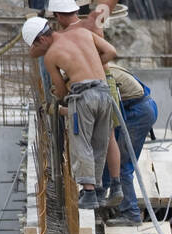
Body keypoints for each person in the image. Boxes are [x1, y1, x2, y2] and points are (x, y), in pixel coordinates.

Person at [23, 15, 117, 210]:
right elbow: (110, 51)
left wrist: (66, 84)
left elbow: (62, 91)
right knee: (100, 142)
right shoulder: (82, 33)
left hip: (83, 98)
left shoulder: (51, 56)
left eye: (36, 46)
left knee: (80, 141)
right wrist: (88, 66)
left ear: (42, 40)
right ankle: (98, 190)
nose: (37, 52)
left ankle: (89, 192)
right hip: (104, 93)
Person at [48, 0, 125, 209]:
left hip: (87, 87)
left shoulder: (63, 37)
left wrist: (78, 76)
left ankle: (92, 190)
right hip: (107, 83)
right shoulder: (94, 19)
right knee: (107, 137)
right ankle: (115, 185)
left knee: (84, 138)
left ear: (59, 16)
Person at [103, 61, 157, 225]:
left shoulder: (101, 75)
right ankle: (105, 193)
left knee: (121, 164)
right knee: (110, 152)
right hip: (136, 107)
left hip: (137, 112)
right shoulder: (102, 65)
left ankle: (131, 214)